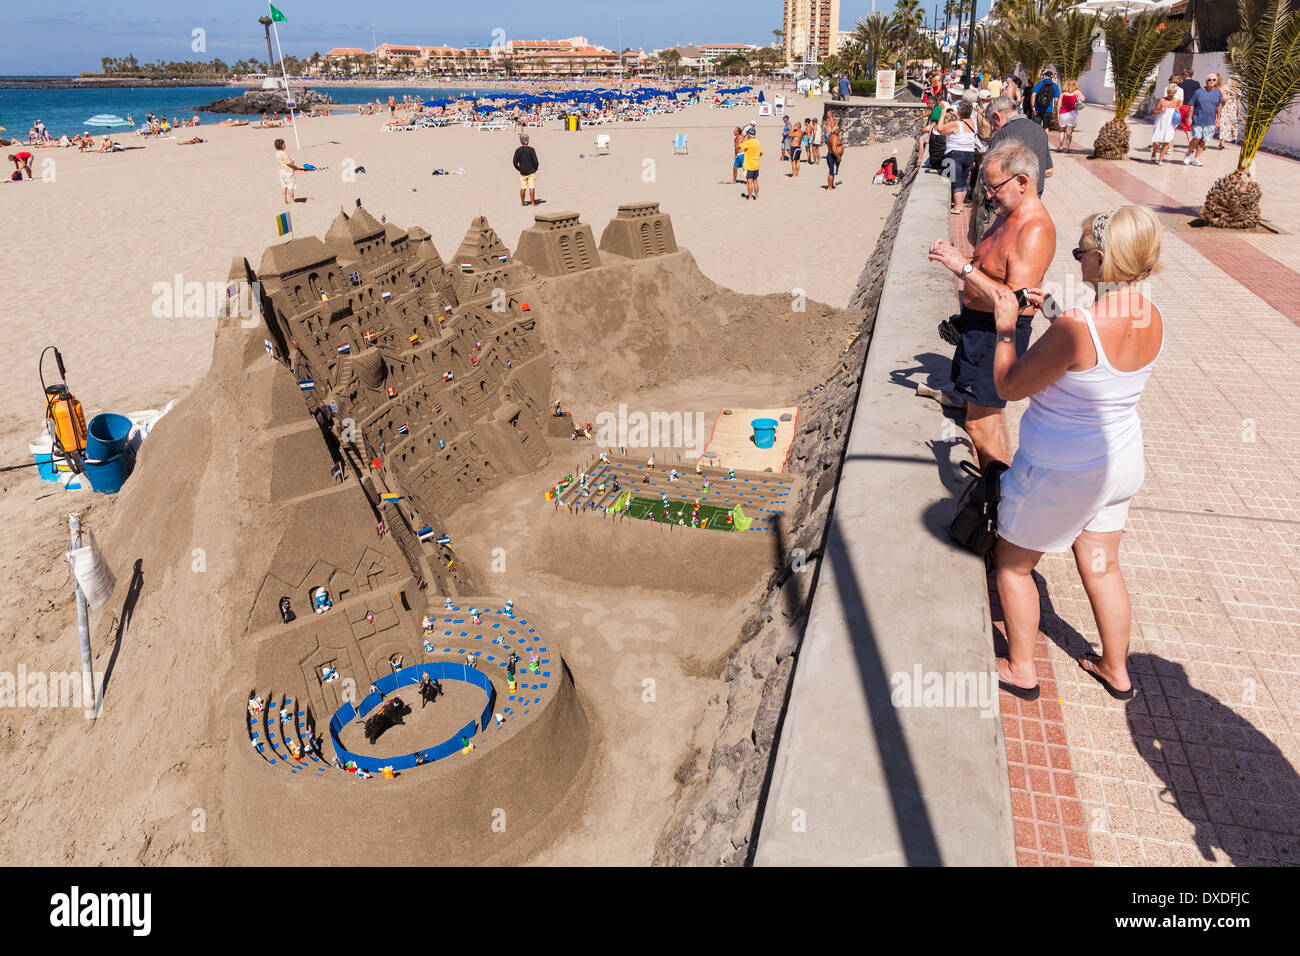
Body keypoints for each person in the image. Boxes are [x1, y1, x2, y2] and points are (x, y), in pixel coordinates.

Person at [989, 206, 1164, 702]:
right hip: (1121, 458)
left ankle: (1022, 669)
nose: (1077, 258)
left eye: (1081, 251)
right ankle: (1115, 669)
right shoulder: (1149, 314)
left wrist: (1006, 329)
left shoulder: (1079, 327)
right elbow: (1094, 363)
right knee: (1102, 563)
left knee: (1014, 563)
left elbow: (1009, 385)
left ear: (1104, 259)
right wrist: (1054, 314)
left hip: (1064, 467)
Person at [927, 142, 1057, 469]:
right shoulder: (1007, 214)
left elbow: (1015, 301)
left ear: (1022, 182)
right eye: (985, 186)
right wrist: (962, 261)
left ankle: (997, 496)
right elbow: (988, 264)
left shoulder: (1034, 229)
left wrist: (963, 268)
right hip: (978, 329)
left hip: (994, 335)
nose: (989, 195)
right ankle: (995, 493)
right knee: (985, 416)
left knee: (979, 424)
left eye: (994, 187)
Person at [984, 96, 1053, 196]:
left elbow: (990, 173)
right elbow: (1049, 171)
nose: (995, 128)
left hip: (1010, 200)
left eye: (993, 124)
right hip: (1034, 198)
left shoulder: (1002, 134)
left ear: (997, 116)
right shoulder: (1040, 130)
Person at [937, 101, 980, 213]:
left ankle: (957, 206)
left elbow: (940, 129)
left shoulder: (956, 124)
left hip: (955, 153)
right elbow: (963, 123)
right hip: (969, 153)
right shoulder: (972, 122)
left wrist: (942, 115)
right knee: (964, 179)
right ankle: (960, 204)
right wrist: (958, 115)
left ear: (959, 112)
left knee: (956, 180)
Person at [1185, 73, 1223, 167]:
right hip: (1198, 118)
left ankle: (1197, 158)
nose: (1211, 82)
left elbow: (1219, 106)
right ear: (1206, 81)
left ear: (1216, 81)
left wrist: (1218, 119)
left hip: (1210, 120)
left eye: (1214, 80)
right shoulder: (1199, 92)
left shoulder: (1218, 92)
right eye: (1209, 80)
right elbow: (1191, 105)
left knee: (1203, 140)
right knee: (1197, 137)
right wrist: (1189, 117)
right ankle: (1188, 153)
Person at [1148, 84, 1179, 164]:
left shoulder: (1176, 102)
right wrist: (1160, 111)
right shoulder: (1162, 100)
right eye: (1169, 92)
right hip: (1160, 123)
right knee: (1157, 142)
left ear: (1175, 92)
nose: (1170, 94)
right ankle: (1154, 152)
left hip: (1170, 124)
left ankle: (1160, 160)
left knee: (1166, 142)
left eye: (1172, 93)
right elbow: (1154, 112)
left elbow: (1178, 114)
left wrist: (1176, 121)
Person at [1056, 79, 1084, 153]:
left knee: (1062, 130)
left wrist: (1058, 114)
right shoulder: (1076, 92)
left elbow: (1059, 105)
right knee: (1069, 132)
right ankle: (1067, 148)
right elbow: (1083, 99)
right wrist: (1078, 92)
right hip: (1072, 114)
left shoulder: (1063, 93)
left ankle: (1061, 146)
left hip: (1063, 114)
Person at [513, 132, 539, 206]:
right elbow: (536, 161)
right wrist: (535, 168)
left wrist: (519, 169)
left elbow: (514, 162)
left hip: (522, 172)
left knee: (523, 187)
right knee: (532, 187)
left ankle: (522, 202)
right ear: (528, 140)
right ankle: (533, 203)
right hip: (531, 171)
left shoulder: (518, 150)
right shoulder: (531, 149)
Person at [274, 138, 303, 204]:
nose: (285, 145)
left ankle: (285, 200)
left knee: (284, 186)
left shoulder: (276, 153)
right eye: (284, 144)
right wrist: (296, 167)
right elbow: (288, 163)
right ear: (282, 146)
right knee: (290, 186)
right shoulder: (283, 154)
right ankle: (292, 201)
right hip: (288, 171)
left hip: (281, 171)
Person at [740, 127, 762, 200]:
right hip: (756, 164)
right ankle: (757, 196)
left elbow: (739, 146)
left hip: (749, 165)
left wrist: (743, 140)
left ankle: (750, 197)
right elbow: (760, 153)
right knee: (755, 181)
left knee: (749, 181)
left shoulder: (748, 142)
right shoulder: (757, 142)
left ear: (749, 134)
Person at [824, 113, 844, 190]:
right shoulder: (834, 138)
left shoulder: (830, 137)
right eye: (838, 130)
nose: (839, 131)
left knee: (832, 171)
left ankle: (831, 185)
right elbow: (834, 149)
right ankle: (829, 187)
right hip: (833, 156)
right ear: (835, 131)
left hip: (830, 155)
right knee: (831, 172)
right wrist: (838, 157)